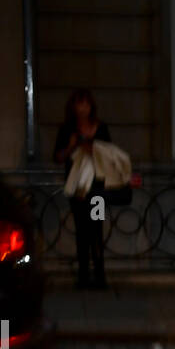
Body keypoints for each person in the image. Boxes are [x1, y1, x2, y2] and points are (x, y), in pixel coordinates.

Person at [54, 89, 111, 289]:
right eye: (79, 104)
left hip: (97, 189)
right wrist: (71, 146)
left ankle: (100, 275)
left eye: (86, 104)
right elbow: (58, 157)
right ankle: (84, 276)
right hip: (78, 188)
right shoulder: (67, 129)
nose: (82, 109)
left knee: (96, 230)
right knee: (82, 232)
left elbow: (109, 156)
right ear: (73, 107)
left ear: (91, 106)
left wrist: (93, 149)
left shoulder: (101, 128)